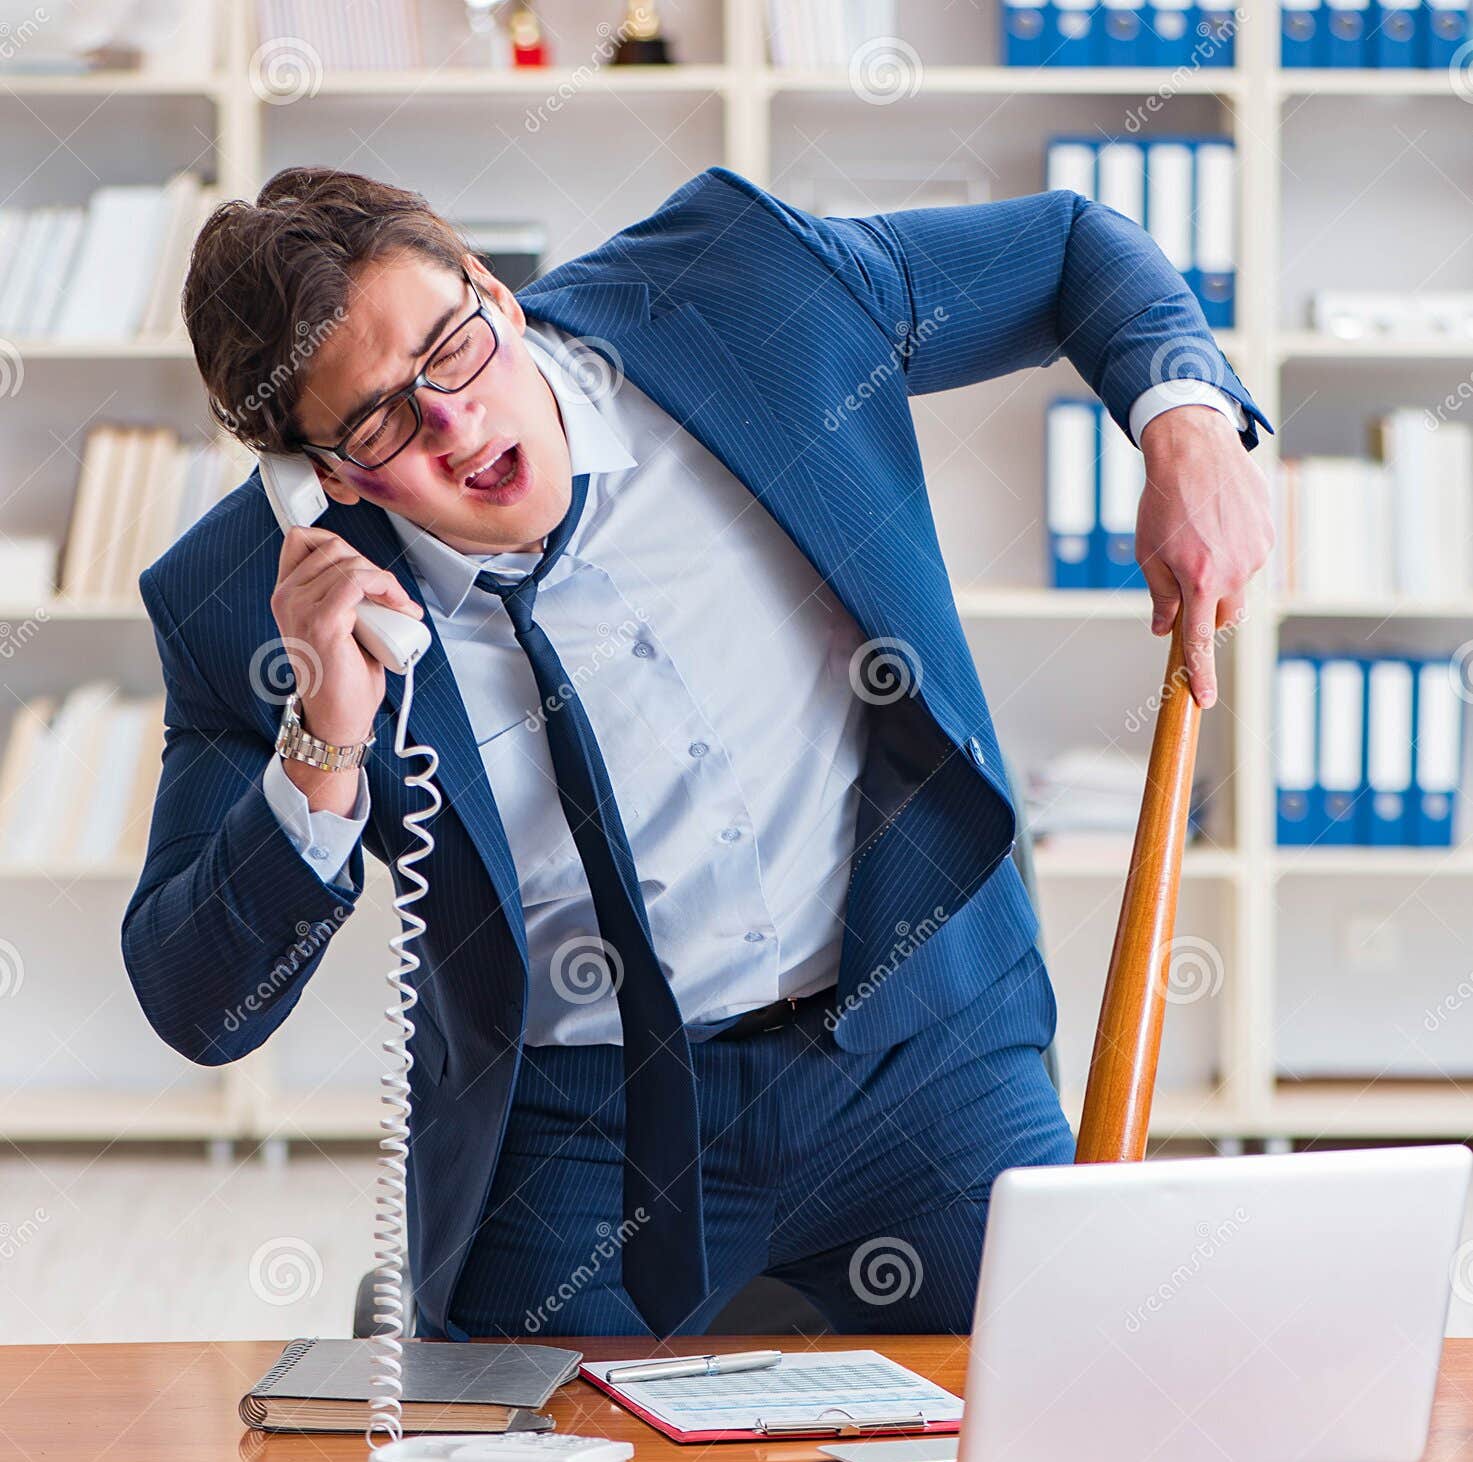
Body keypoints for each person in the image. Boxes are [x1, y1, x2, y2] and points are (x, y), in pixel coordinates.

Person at [122, 165, 1273, 1340]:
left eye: (454, 348)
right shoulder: (242, 608)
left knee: (1075, 1408)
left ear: (492, 292)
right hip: (581, 1127)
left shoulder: (742, 293)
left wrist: (1185, 425)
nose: (456, 422)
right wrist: (326, 735)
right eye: (381, 420)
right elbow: (202, 1007)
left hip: (917, 1049)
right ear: (318, 478)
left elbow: (1071, 250)